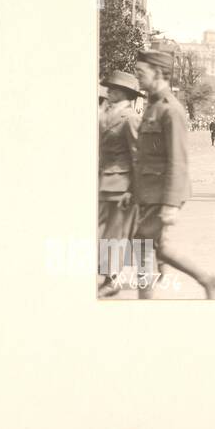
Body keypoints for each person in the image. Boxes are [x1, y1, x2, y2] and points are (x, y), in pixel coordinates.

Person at [131, 49, 215, 298]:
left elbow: (178, 160)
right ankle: (207, 279)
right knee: (151, 245)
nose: (137, 77)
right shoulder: (153, 106)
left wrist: (170, 203)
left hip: (161, 192)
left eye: (141, 73)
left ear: (159, 73)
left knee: (142, 243)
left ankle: (145, 301)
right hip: (148, 190)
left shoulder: (171, 110)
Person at [97, 71, 142, 297]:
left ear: (124, 93)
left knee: (113, 235)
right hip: (103, 181)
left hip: (121, 184)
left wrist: (133, 190)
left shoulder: (131, 118)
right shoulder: (106, 114)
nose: (109, 91)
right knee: (103, 233)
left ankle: (111, 279)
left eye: (113, 89)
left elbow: (137, 156)